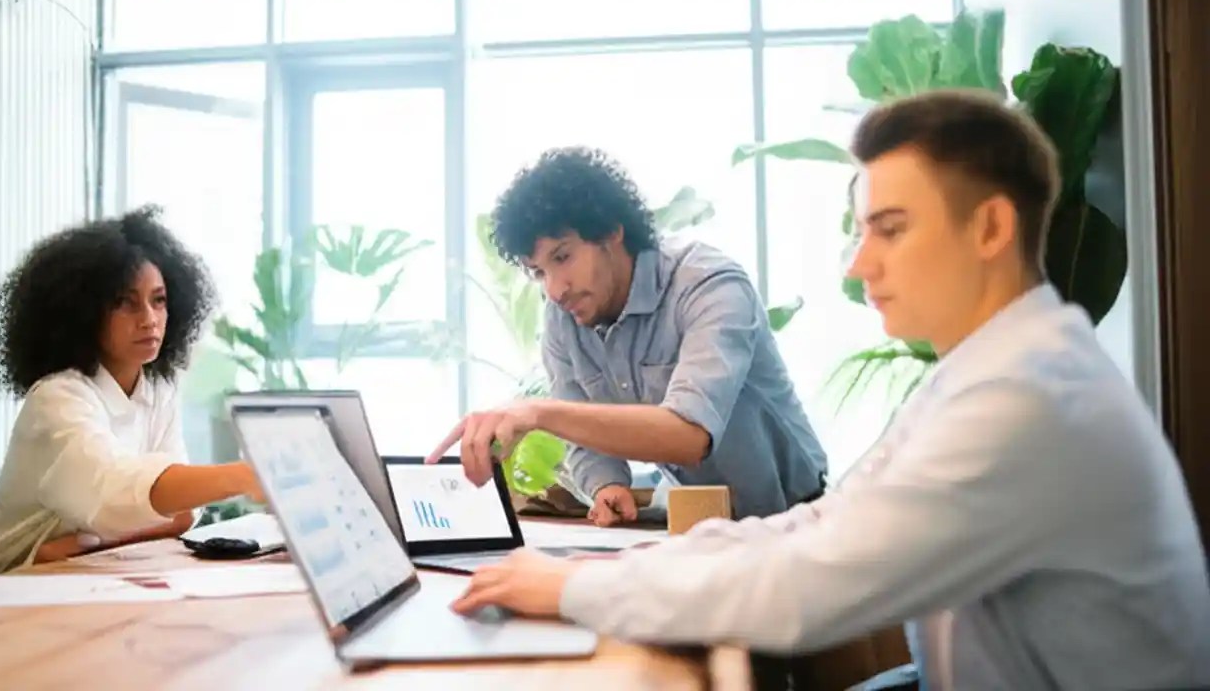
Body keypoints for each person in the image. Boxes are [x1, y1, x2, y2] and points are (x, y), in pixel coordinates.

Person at [446, 91, 1210, 689]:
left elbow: (806, 585)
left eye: (891, 227)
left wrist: (574, 590)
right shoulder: (983, 375)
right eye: (860, 231)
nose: (858, 264)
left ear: (989, 229)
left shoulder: (1028, 400)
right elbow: (816, 532)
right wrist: (592, 573)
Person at [428, 146, 827, 525]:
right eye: (538, 272)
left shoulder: (708, 285)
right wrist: (606, 484)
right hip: (704, 523)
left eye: (562, 257)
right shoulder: (563, 317)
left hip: (798, 515)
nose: (554, 288)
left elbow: (690, 435)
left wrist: (536, 413)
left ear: (611, 232)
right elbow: (581, 428)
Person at [0, 206, 263, 579]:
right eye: (125, 303)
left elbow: (181, 514)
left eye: (159, 300)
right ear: (82, 313)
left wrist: (95, 543)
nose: (149, 318)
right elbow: (110, 495)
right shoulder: (57, 397)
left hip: (77, 572)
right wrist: (245, 476)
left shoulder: (158, 388)